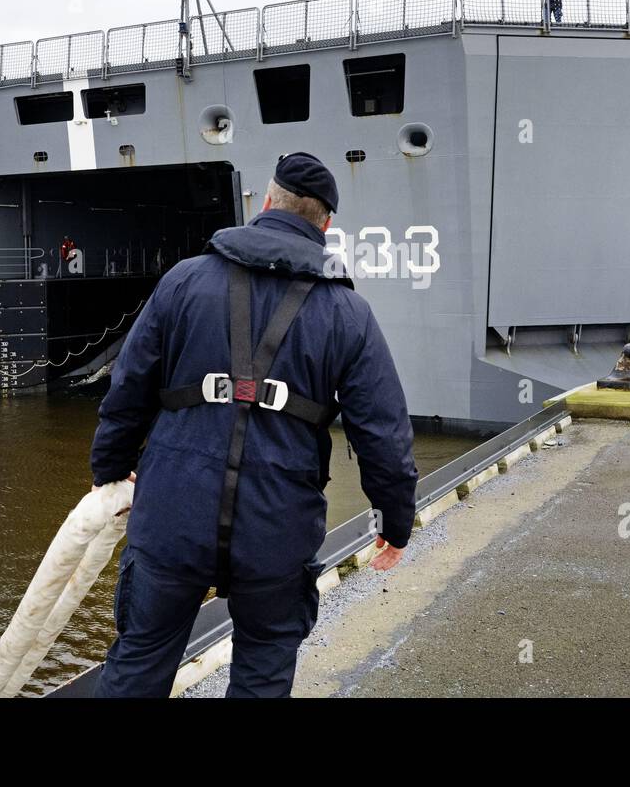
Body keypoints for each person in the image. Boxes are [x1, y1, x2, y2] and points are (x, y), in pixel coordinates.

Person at [89, 152, 418, 697]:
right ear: (326, 224)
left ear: (265, 203)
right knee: (263, 671)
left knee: (140, 661)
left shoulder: (183, 281)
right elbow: (383, 435)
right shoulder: (348, 313)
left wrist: (110, 469)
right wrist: (395, 521)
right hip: (276, 526)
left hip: (173, 512)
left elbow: (128, 390)